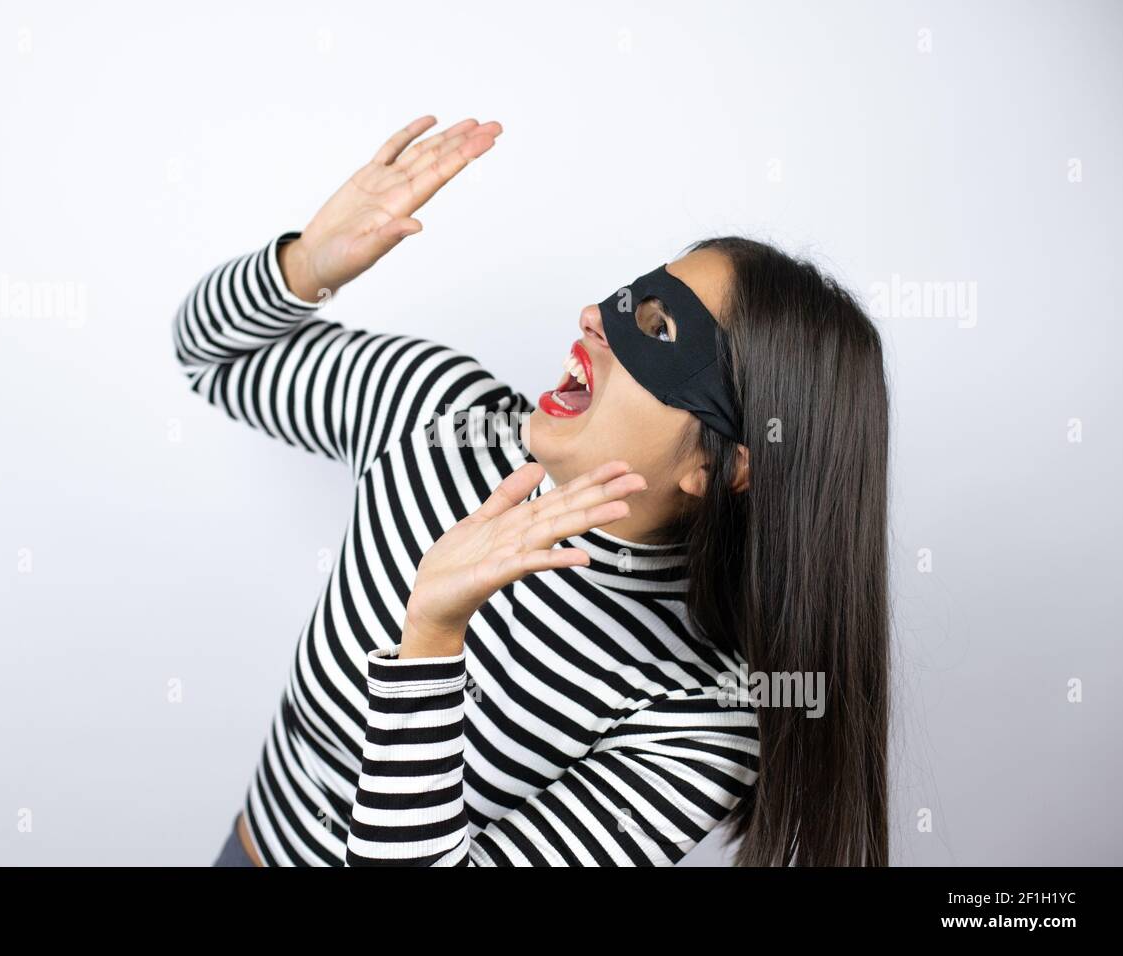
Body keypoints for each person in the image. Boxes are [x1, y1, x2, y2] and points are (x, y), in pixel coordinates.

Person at [178, 115, 890, 867]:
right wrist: (305, 267)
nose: (593, 318)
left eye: (660, 331)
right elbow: (211, 360)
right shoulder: (436, 417)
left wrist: (431, 642)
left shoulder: (701, 716)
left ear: (722, 466)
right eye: (630, 298)